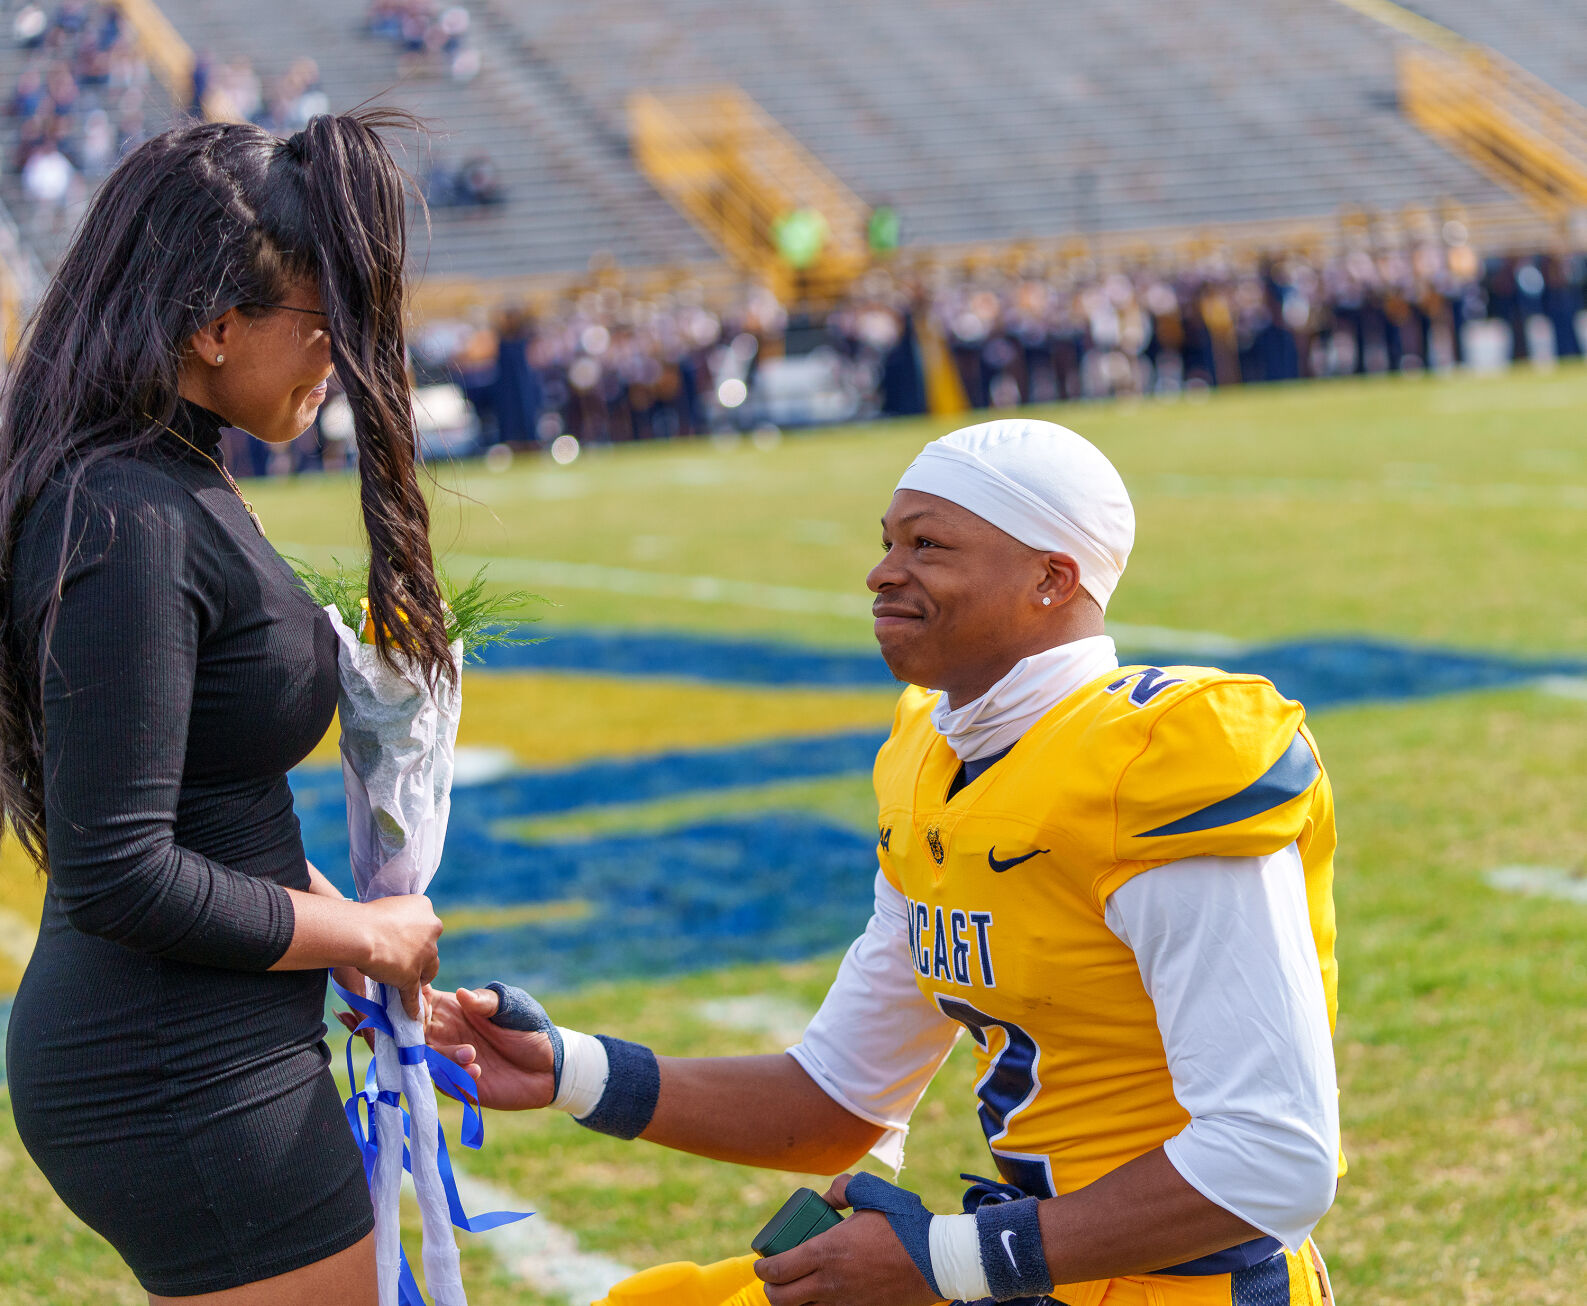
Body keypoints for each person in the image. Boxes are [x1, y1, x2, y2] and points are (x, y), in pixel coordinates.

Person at [426, 417, 1343, 1306]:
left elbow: (1271, 1160)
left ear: (1051, 579)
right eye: (888, 542)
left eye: (927, 546)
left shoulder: (1160, 760)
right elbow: (834, 1098)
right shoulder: (934, 759)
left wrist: (944, 1261)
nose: (882, 572)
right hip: (1040, 1269)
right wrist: (568, 1070)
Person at [0, 112, 453, 1305]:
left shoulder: (168, 471)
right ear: (214, 329)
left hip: (208, 1041)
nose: (341, 361)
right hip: (173, 1072)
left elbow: (210, 800)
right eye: (323, 327)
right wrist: (364, 936)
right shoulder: (124, 512)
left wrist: (336, 916)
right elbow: (122, 869)